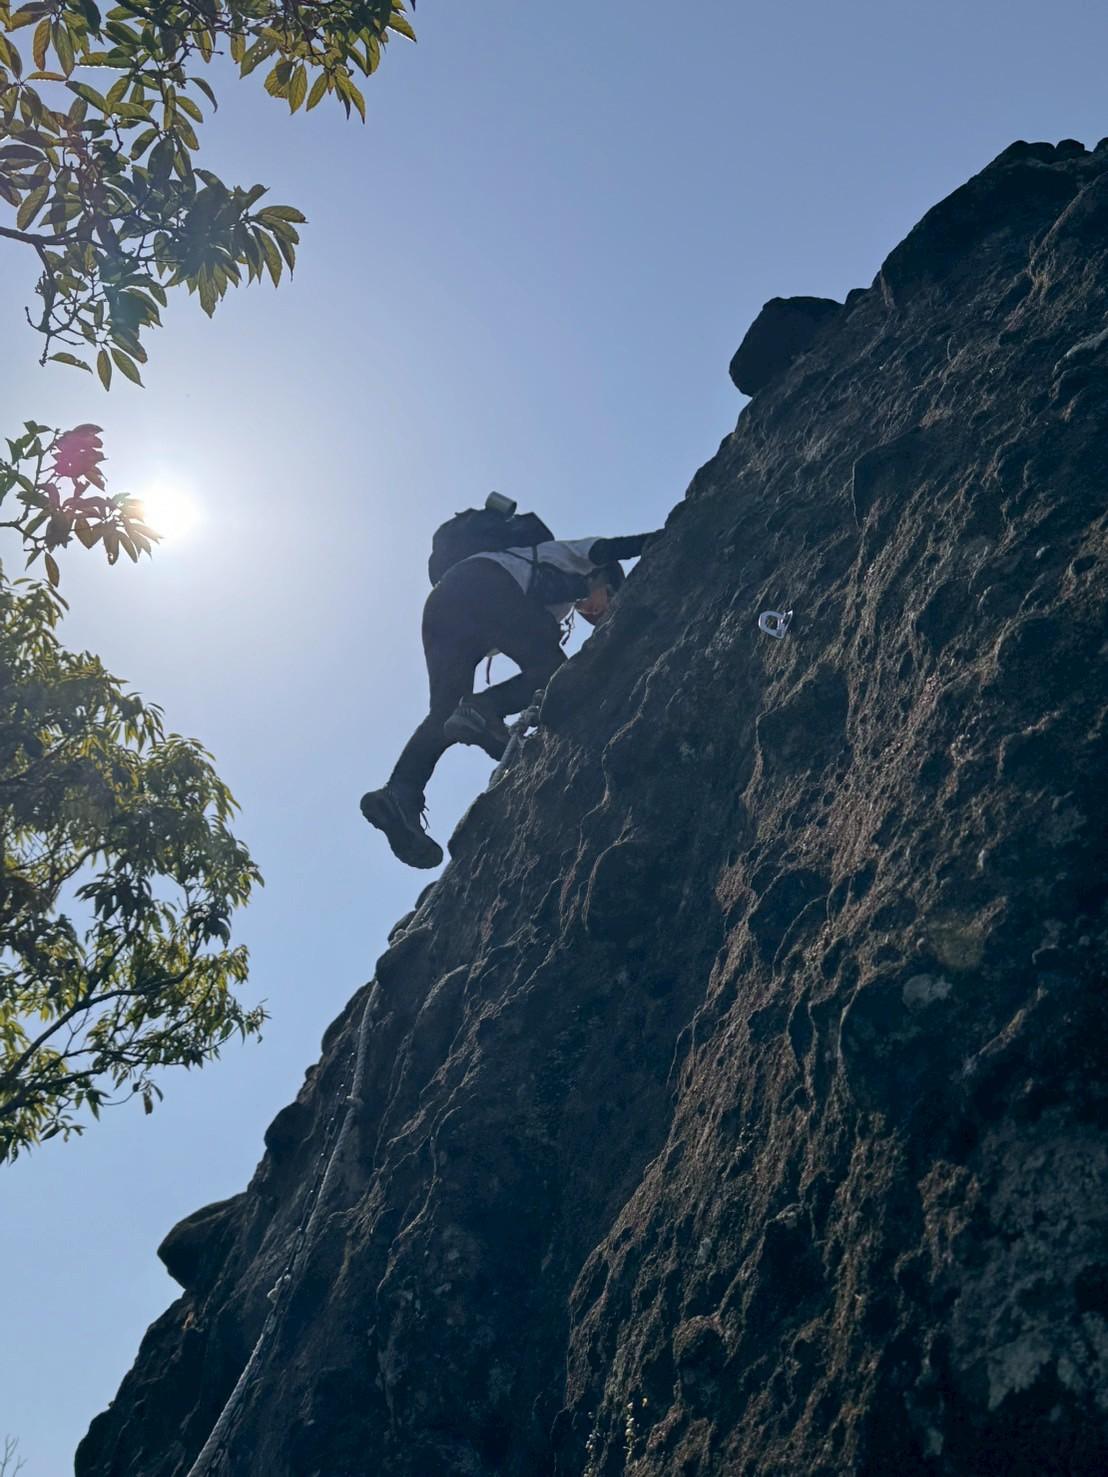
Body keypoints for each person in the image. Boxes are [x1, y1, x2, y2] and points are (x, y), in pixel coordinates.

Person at [360, 531, 659, 868]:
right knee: (555, 673)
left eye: (593, 616)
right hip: (483, 583)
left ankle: (400, 794)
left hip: (444, 606)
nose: (594, 612)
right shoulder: (577, 556)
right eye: (607, 599)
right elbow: (611, 547)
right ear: (605, 577)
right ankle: (483, 711)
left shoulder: (553, 596)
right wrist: (661, 537)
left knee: (445, 713)